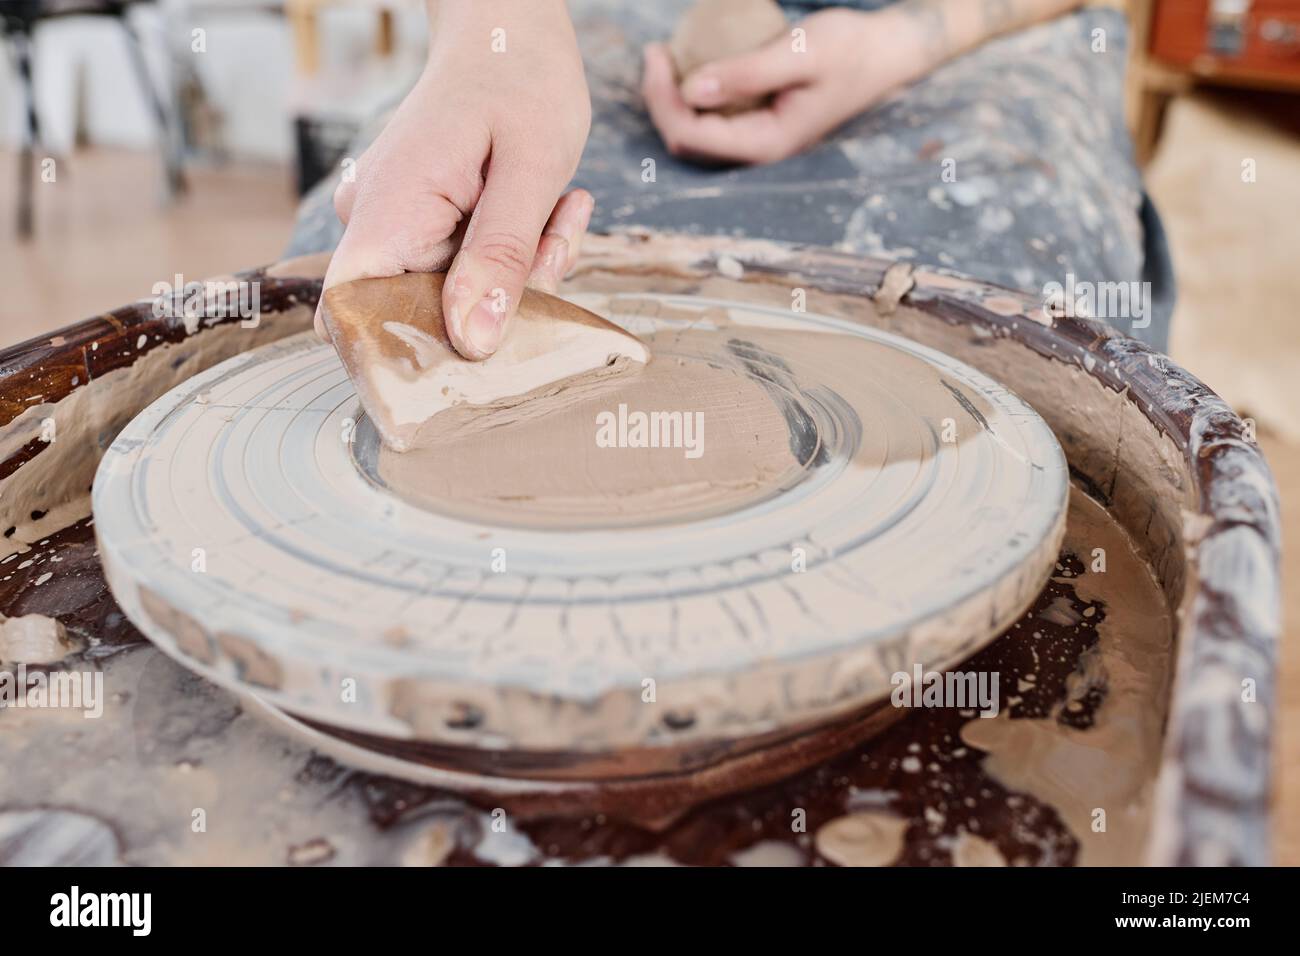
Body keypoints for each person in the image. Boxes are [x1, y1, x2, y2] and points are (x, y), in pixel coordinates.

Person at [304, 0, 1172, 357]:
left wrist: (912, 35)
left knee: (1013, 315)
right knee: (361, 253)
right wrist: (497, 38)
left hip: (963, 23)